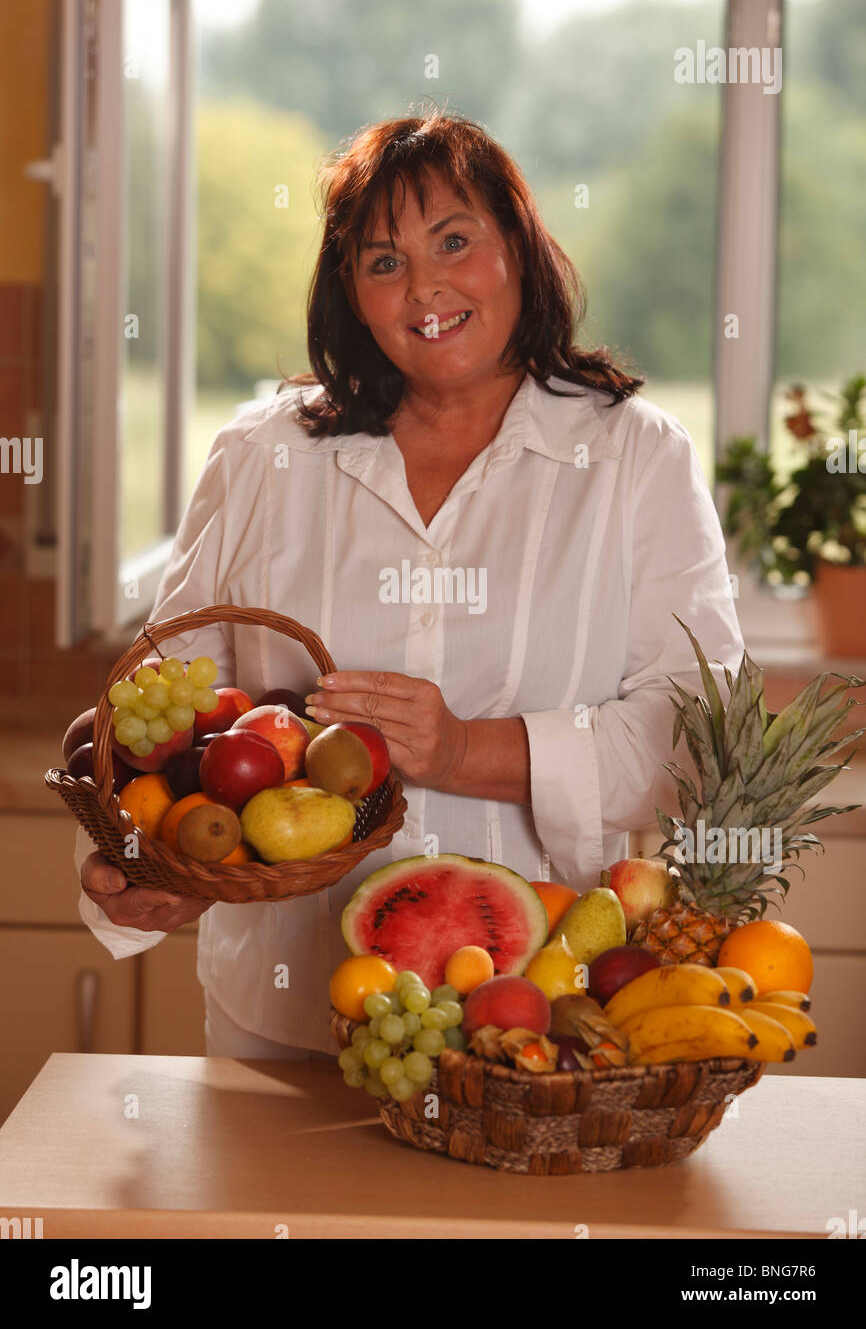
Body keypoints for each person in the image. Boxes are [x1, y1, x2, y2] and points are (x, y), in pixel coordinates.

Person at [76, 107, 744, 1060]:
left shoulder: (636, 459)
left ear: (518, 246)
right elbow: (160, 712)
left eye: (455, 241)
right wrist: (141, 868)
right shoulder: (261, 456)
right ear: (350, 292)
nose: (425, 286)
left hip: (535, 1026)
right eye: (383, 261)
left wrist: (466, 750)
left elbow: (695, 730)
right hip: (285, 1028)